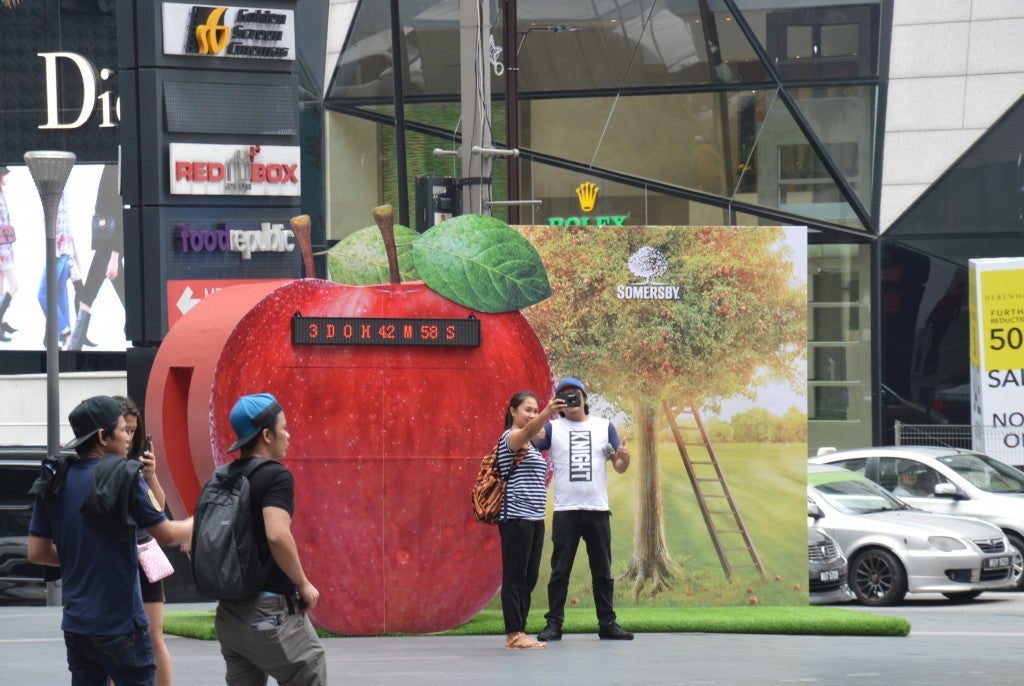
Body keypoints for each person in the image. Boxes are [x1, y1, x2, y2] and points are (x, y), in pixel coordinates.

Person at [27, 395, 193, 685]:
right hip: (122, 625)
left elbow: (37, 552)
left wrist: (83, 554)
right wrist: (200, 520)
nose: (129, 438)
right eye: (123, 430)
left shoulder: (54, 479)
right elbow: (166, 534)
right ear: (103, 436)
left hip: (77, 626)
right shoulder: (125, 475)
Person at [213, 392, 326, 685]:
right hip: (270, 612)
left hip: (229, 615)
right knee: (308, 668)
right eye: (284, 427)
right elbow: (277, 534)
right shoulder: (275, 476)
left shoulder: (223, 476)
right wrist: (303, 584)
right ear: (266, 434)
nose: (288, 435)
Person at [534, 377, 634, 642]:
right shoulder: (553, 428)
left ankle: (607, 624)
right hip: (566, 510)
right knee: (560, 571)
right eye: (563, 395)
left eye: (573, 394)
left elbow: (618, 466)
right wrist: (546, 412)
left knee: (602, 571)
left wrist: (624, 458)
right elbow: (529, 442)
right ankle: (554, 624)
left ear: (584, 397)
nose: (569, 399)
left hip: (598, 510)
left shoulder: (605, 426)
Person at [498, 390, 567, 650]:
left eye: (536, 410)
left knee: (528, 578)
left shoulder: (531, 446)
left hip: (535, 519)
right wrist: (548, 413)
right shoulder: (510, 438)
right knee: (515, 577)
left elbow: (533, 435)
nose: (533, 414)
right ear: (513, 411)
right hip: (516, 517)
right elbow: (526, 433)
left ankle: (520, 631)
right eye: (528, 409)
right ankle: (513, 634)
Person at [115, 395, 174, 686]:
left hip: (144, 554)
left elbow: (157, 511)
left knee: (154, 636)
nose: (129, 436)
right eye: (124, 428)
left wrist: (151, 475)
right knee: (115, 639)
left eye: (133, 430)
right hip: (116, 556)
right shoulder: (104, 468)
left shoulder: (134, 467)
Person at [67, 163, 124, 350]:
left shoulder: (116, 168)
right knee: (123, 294)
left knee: (88, 295)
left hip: (109, 248)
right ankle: (75, 347)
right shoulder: (111, 167)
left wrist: (115, 257)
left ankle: (74, 348)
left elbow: (118, 211)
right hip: (105, 244)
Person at [36, 192, 81, 348]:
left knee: (43, 294)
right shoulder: (60, 190)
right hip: (63, 250)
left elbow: (59, 224)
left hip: (58, 251)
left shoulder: (55, 192)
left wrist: (55, 251)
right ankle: (65, 337)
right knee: (60, 295)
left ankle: (65, 332)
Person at [0, 165, 18, 341]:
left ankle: (2, 322)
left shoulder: (2, 194)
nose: (6, 177)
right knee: (15, 285)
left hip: (5, 246)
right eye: (4, 174)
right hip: (1, 249)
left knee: (1, 288)